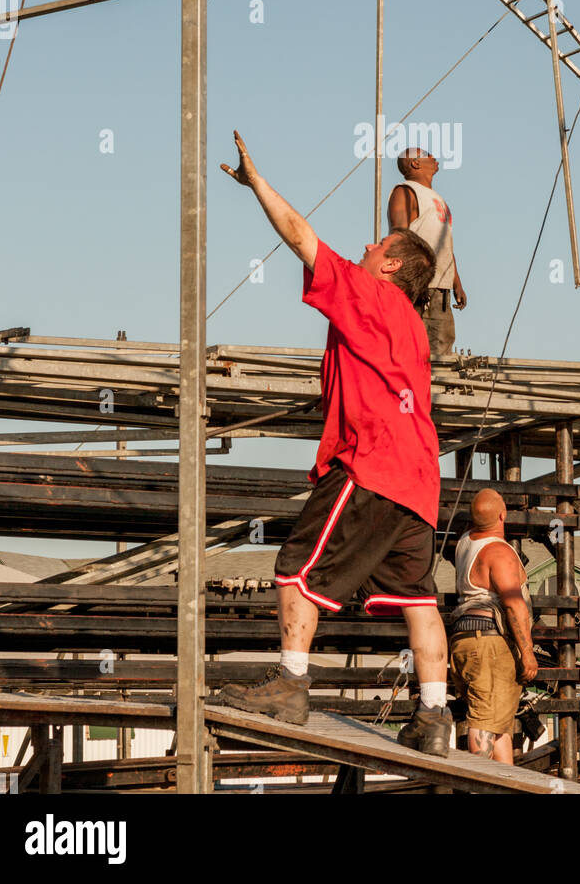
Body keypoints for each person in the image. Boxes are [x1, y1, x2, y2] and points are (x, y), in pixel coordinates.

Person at [215, 130, 453, 757]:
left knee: (294, 568)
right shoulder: (415, 328)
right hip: (419, 482)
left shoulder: (370, 295)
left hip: (370, 463)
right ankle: (434, 717)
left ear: (393, 265)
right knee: (419, 598)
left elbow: (299, 235)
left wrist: (257, 185)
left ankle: (291, 683)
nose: (367, 246)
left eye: (378, 245)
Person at [449, 489, 538, 764]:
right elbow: (514, 605)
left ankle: (504, 782)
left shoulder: (465, 543)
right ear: (503, 515)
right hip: (489, 643)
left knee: (498, 722)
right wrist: (527, 652)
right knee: (486, 723)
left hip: (464, 639)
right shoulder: (499, 553)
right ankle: (480, 781)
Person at [388, 148, 466, 355]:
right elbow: (399, 236)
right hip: (421, 287)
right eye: (428, 154)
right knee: (415, 349)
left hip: (441, 287)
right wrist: (411, 282)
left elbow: (444, 244)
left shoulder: (436, 198)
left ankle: (432, 388)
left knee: (440, 349)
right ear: (415, 163)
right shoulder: (405, 191)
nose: (433, 157)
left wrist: (456, 281)